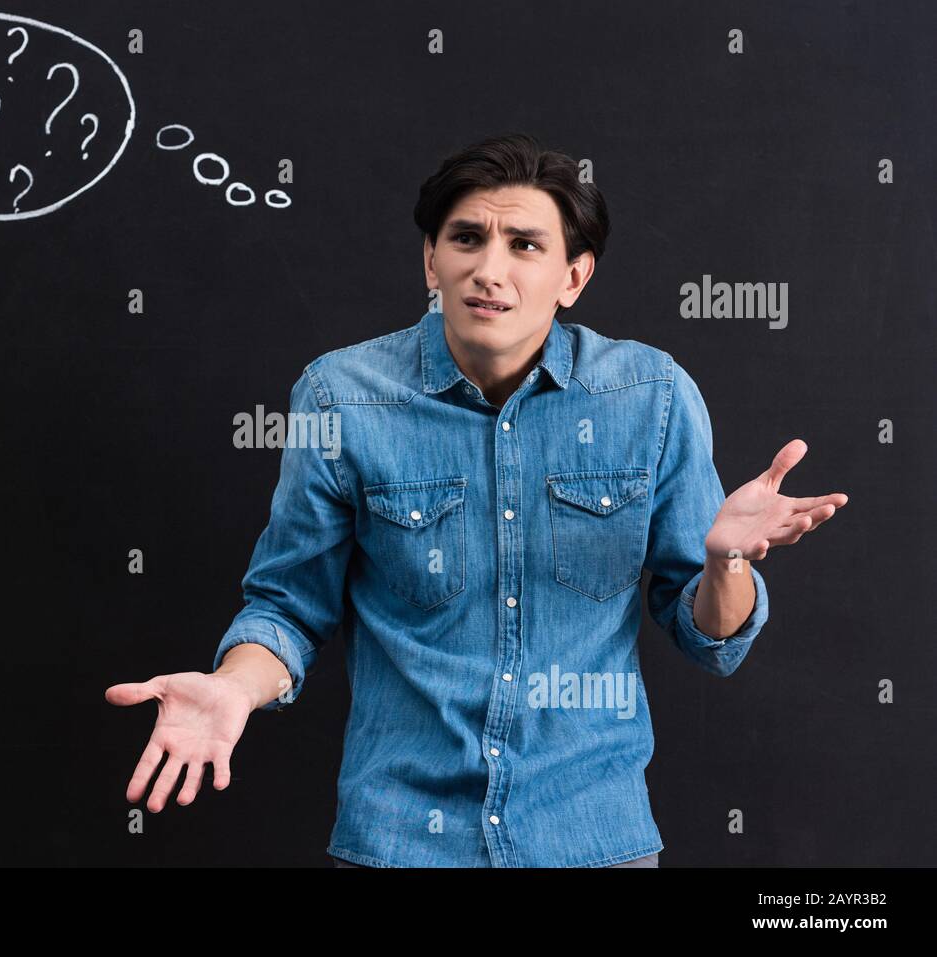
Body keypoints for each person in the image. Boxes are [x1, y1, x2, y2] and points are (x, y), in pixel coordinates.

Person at [105, 132, 848, 867]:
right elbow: (291, 605)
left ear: (573, 276)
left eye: (525, 244)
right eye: (467, 238)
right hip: (398, 841)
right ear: (432, 259)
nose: (489, 269)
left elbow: (708, 637)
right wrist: (233, 688)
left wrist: (724, 565)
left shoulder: (649, 397)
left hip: (592, 840)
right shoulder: (342, 396)